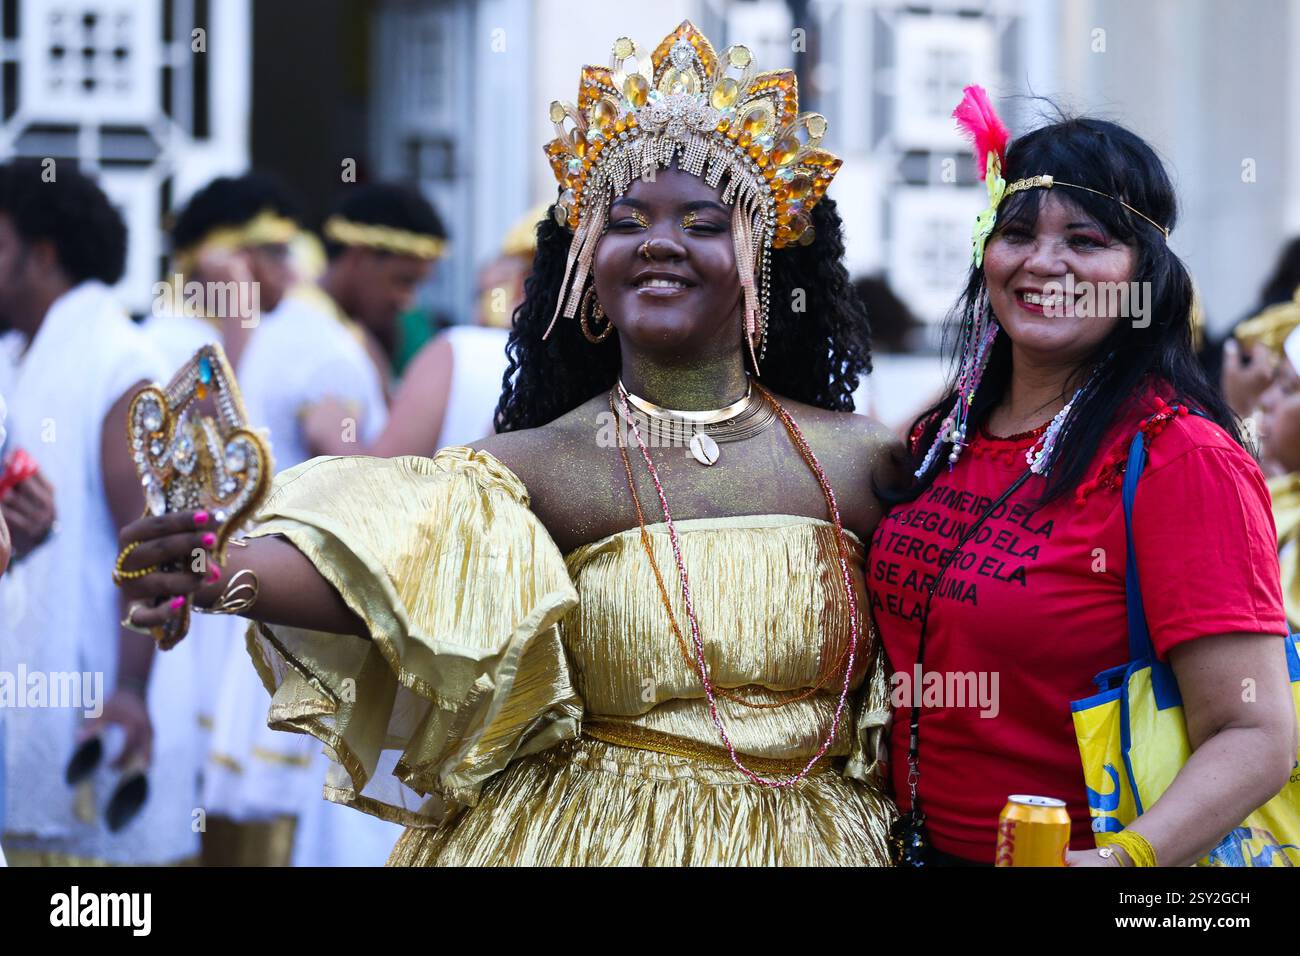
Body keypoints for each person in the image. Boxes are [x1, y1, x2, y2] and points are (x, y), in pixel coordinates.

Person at [113, 20, 901, 866]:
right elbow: (391, 571)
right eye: (626, 220)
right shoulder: (541, 463)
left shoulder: (859, 461)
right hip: (591, 842)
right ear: (586, 264)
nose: (660, 242)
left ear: (764, 264)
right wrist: (214, 567)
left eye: (704, 223)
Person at [870, 89, 1296, 866]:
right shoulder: (945, 437)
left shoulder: (1180, 457)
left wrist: (1121, 863)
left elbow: (1256, 732)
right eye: (1017, 232)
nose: (1043, 262)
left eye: (1086, 239)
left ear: (1145, 274)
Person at [200, 180, 443, 866]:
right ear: (358, 258)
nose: (408, 301)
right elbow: (354, 470)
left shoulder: (284, 328)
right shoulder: (328, 347)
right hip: (307, 621)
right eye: (400, 280)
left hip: (261, 598)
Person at [0, 160, 199, 865]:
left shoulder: (120, 361)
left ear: (42, 254)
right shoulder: (16, 357)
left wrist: (131, 691)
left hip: (102, 712)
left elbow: (156, 544)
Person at [301, 203, 538, 457]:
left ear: (519, 284)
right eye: (404, 280)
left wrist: (335, 438)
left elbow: (383, 488)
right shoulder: (571, 380)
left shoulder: (461, 351)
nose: (408, 302)